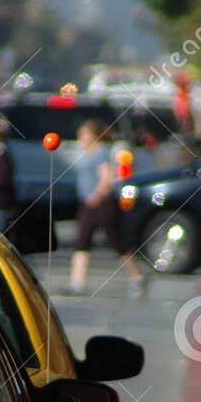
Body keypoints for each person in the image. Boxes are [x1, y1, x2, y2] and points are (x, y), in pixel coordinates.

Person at [67, 118, 144, 295]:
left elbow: (107, 178)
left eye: (84, 135)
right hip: (88, 203)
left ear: (94, 136)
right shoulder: (86, 153)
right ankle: (77, 282)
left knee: (115, 240)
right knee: (82, 240)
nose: (81, 138)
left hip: (102, 203)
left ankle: (136, 275)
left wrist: (97, 195)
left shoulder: (101, 152)